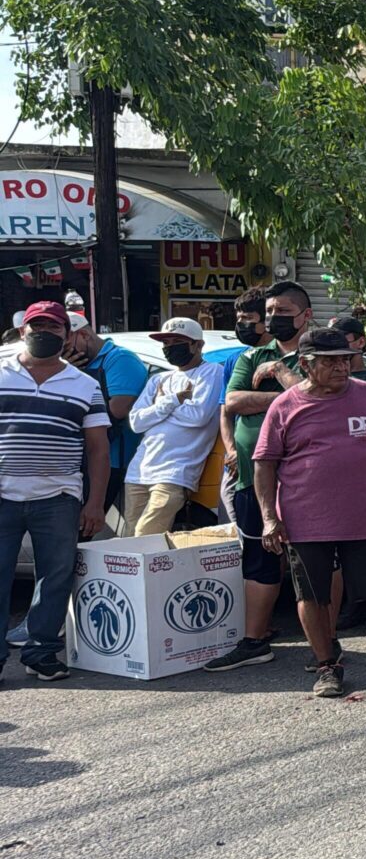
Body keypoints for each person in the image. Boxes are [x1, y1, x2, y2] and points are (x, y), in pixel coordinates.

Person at [254, 328, 366, 696]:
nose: (341, 367)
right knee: (313, 596)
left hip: (364, 515)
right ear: (305, 365)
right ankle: (326, 665)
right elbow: (264, 464)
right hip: (305, 521)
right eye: (329, 361)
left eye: (344, 359)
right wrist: (270, 517)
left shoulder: (365, 394)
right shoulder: (284, 406)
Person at [205, 280, 313, 671]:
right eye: (270, 312)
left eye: (283, 312)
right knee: (259, 557)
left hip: (308, 479)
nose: (273, 319)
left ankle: (325, 643)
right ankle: (255, 640)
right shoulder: (252, 357)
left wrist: (282, 377)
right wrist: (292, 396)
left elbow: (317, 403)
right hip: (254, 477)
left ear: (306, 315)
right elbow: (233, 402)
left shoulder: (321, 353)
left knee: (317, 561)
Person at [0, 302, 109, 683]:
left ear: (67, 335)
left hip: (58, 497)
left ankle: (42, 652)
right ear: (22, 331)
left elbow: (98, 448)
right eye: (37, 326)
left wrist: (94, 502)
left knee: (55, 578)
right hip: (3, 496)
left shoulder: (85, 385)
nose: (44, 332)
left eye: (53, 327)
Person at [122, 318, 226, 536]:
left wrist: (158, 409)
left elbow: (197, 416)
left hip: (175, 472)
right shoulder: (158, 379)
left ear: (198, 345)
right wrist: (173, 400)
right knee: (130, 539)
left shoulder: (212, 372)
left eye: (177, 341)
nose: (170, 347)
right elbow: (136, 422)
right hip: (139, 470)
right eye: (166, 342)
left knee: (145, 536)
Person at [65, 315, 148, 522]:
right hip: (74, 459)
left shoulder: (120, 359)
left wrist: (70, 377)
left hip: (110, 459)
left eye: (65, 344)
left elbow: (117, 410)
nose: (61, 352)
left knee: (79, 528)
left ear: (84, 335)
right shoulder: (66, 366)